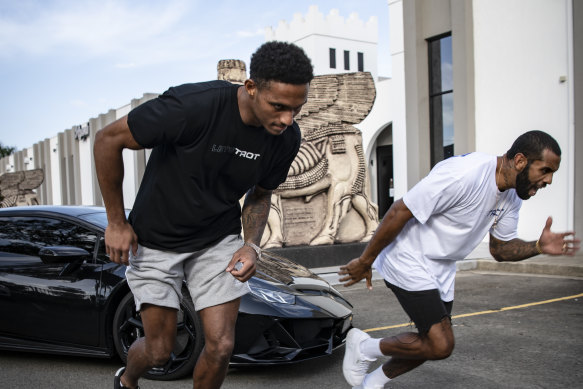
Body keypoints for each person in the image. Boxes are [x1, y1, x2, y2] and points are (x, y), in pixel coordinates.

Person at [93, 41, 313, 389]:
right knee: (160, 350)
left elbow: (260, 194)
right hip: (155, 240)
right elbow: (107, 139)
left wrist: (251, 246)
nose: (287, 119)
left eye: (296, 109)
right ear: (251, 88)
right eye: (279, 107)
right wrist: (117, 222)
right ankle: (127, 380)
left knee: (222, 345)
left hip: (216, 240)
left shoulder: (286, 138)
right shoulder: (192, 106)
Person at [338, 130, 580, 389]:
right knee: (441, 343)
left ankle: (372, 381)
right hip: (408, 256)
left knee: (432, 342)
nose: (549, 180)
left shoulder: (511, 196)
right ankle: (365, 347)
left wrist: (537, 246)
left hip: (442, 265)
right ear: (520, 161)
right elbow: (401, 210)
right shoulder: (464, 173)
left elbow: (500, 250)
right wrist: (366, 261)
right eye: (545, 170)